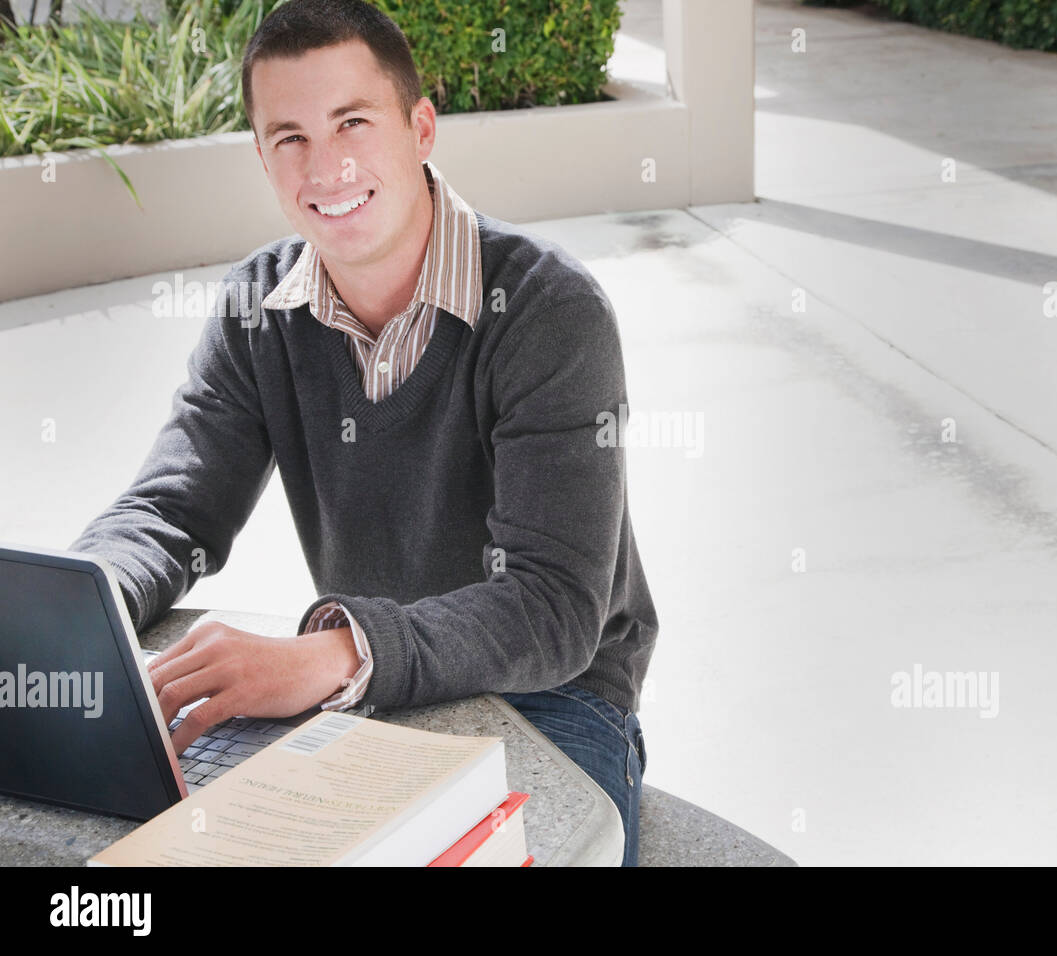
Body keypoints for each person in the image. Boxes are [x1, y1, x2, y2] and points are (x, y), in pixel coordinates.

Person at [67, 0, 657, 866]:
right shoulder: (256, 308)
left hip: (558, 699)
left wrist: (337, 656)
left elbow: (555, 608)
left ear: (421, 127)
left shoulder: (546, 310)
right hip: (371, 695)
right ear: (263, 157)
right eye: (291, 137)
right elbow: (174, 509)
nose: (327, 165)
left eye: (352, 121)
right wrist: (80, 607)